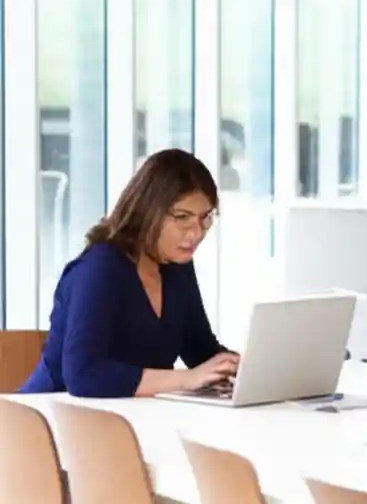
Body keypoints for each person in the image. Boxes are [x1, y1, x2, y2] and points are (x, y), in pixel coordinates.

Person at [20, 150, 238, 398]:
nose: (197, 232)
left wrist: (242, 368)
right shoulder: (100, 268)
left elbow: (200, 351)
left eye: (205, 217)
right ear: (148, 211)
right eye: (182, 218)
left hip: (127, 419)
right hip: (48, 423)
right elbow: (84, 375)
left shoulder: (177, 266)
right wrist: (186, 379)